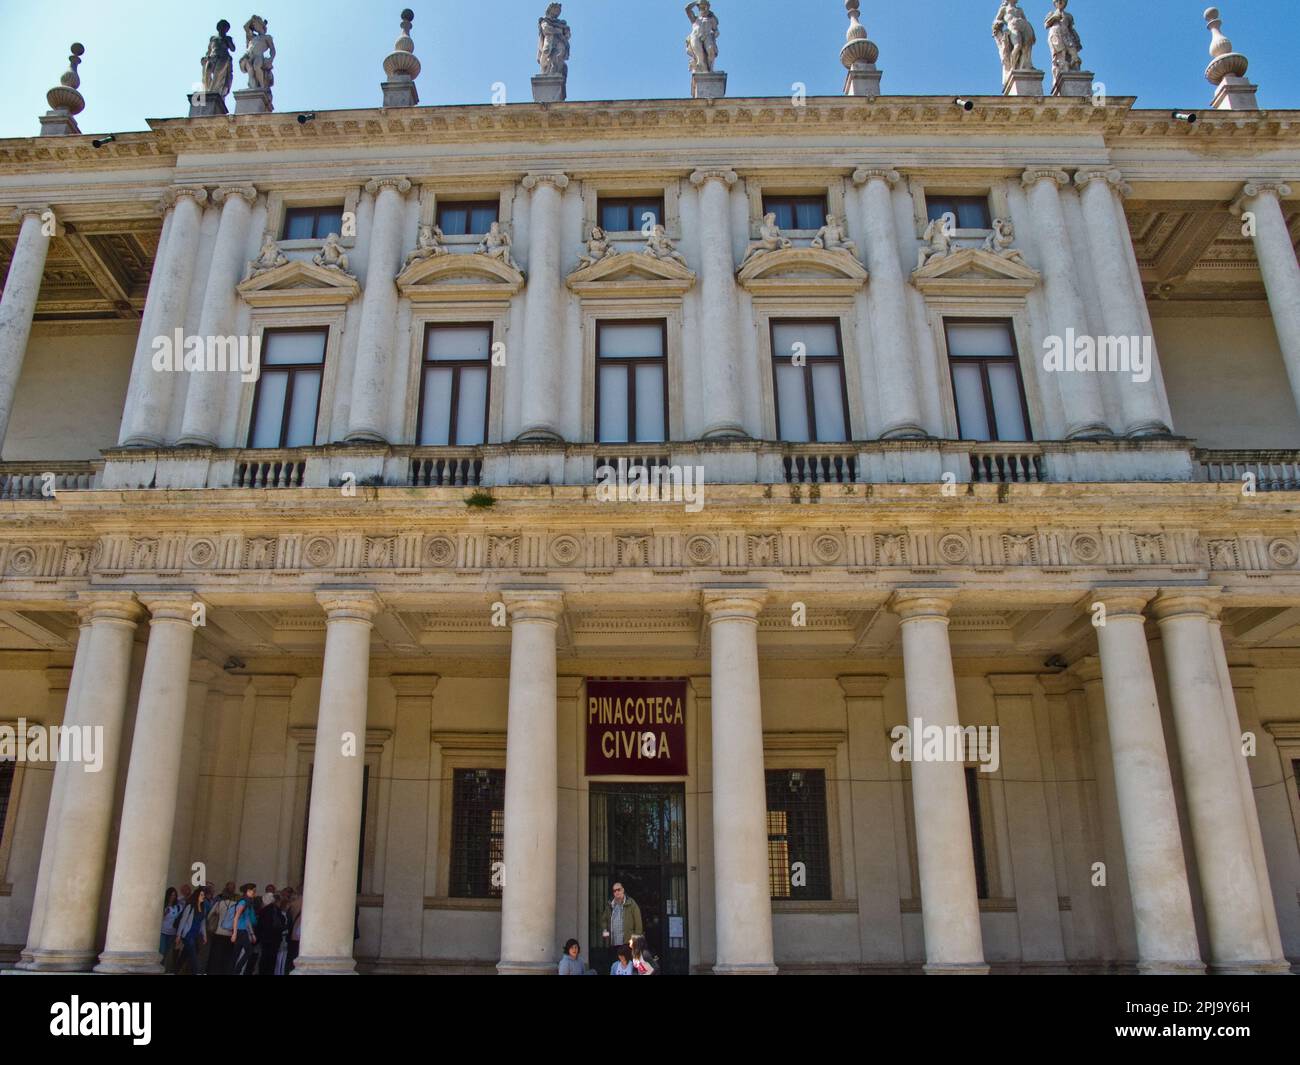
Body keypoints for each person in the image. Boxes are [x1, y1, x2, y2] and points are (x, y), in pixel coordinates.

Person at [174, 886, 210, 975]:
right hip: (188, 935)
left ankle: (175, 971)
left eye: (204, 895)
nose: (203, 897)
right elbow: (183, 921)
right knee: (194, 957)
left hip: (195, 936)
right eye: (201, 895)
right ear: (197, 895)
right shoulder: (190, 906)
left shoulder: (203, 908)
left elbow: (202, 923)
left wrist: (204, 935)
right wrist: (178, 935)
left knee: (184, 956)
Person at [599, 882, 643, 951]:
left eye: (618, 889)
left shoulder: (631, 903)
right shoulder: (610, 905)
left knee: (628, 962)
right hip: (613, 943)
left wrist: (635, 940)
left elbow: (638, 924)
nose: (617, 892)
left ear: (623, 890)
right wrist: (605, 932)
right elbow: (604, 920)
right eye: (614, 890)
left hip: (627, 943)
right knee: (614, 961)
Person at [227, 882, 260, 975]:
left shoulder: (247, 902)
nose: (255, 893)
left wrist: (252, 934)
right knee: (248, 951)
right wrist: (234, 933)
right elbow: (236, 917)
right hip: (240, 931)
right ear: (248, 891)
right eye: (253, 891)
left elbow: (247, 919)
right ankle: (237, 970)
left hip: (242, 930)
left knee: (236, 954)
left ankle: (233, 972)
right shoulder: (243, 902)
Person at [207, 882, 238, 976]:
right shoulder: (236, 905)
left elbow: (209, 916)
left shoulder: (219, 903)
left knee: (215, 957)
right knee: (226, 957)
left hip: (218, 933)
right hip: (229, 934)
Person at [257, 890, 287, 975]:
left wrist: (258, 938)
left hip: (266, 939)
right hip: (276, 939)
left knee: (264, 959)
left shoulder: (263, 911)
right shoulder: (277, 909)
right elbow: (283, 921)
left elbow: (260, 926)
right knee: (272, 960)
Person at [159, 887, 183, 972]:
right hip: (163, 932)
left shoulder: (179, 907)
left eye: (174, 895)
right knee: (161, 952)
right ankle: (159, 969)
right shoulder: (163, 905)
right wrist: (165, 913)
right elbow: (158, 919)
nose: (172, 897)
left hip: (172, 933)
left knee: (166, 953)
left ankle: (162, 969)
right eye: (171, 895)